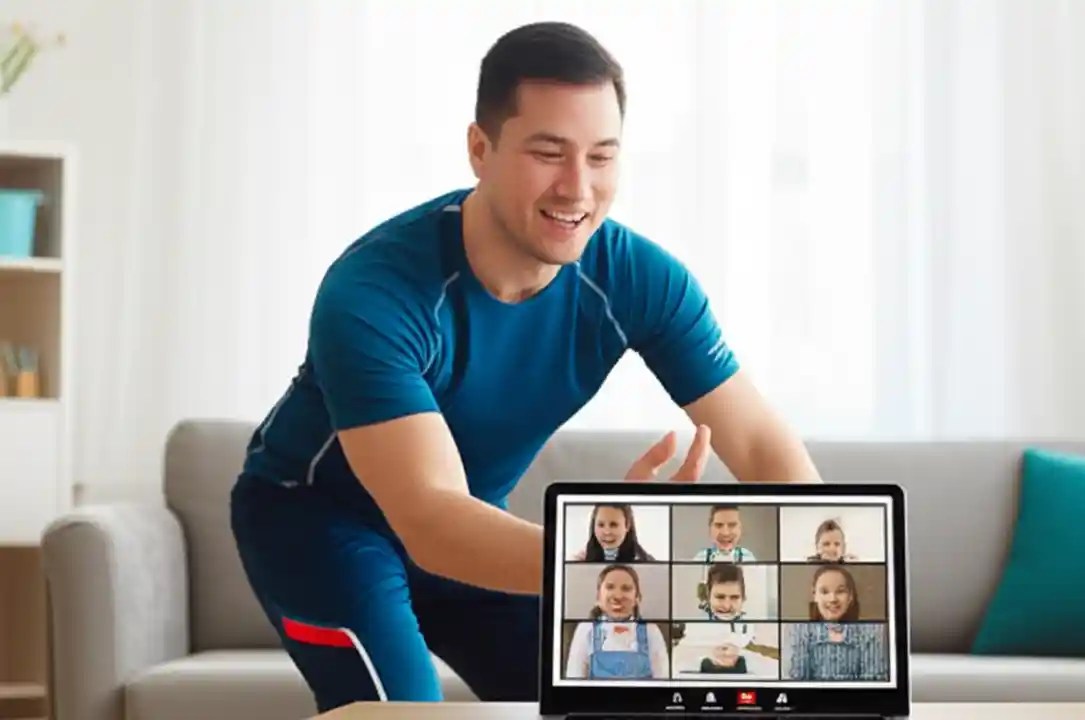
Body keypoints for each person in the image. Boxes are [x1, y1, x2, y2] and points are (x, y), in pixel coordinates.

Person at [228, 20, 821, 714]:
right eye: (548, 153)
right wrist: (611, 558)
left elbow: (757, 442)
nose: (578, 188)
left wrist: (826, 573)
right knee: (403, 710)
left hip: (477, 530)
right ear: (480, 149)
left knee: (619, 697)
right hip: (319, 527)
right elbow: (429, 518)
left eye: (602, 157)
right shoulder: (373, 294)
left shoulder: (638, 279)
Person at [564, 565, 670, 679]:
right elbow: (574, 677)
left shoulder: (651, 631)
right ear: (598, 597)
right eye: (610, 587)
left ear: (637, 598)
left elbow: (663, 678)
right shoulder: (586, 629)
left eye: (626, 588)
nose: (618, 596)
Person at [786, 565, 887, 681]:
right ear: (815, 596)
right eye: (824, 592)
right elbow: (796, 681)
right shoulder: (799, 632)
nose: (832, 599)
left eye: (840, 591)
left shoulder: (872, 633)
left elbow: (874, 683)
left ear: (850, 596)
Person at [571, 504, 656, 561]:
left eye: (613, 525)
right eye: (601, 525)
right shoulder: (581, 561)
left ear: (627, 526)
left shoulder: (648, 563)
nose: (607, 532)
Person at [690, 505, 757, 562]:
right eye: (719, 525)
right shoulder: (701, 558)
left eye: (732, 525)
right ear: (710, 529)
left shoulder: (748, 558)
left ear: (740, 529)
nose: (725, 533)